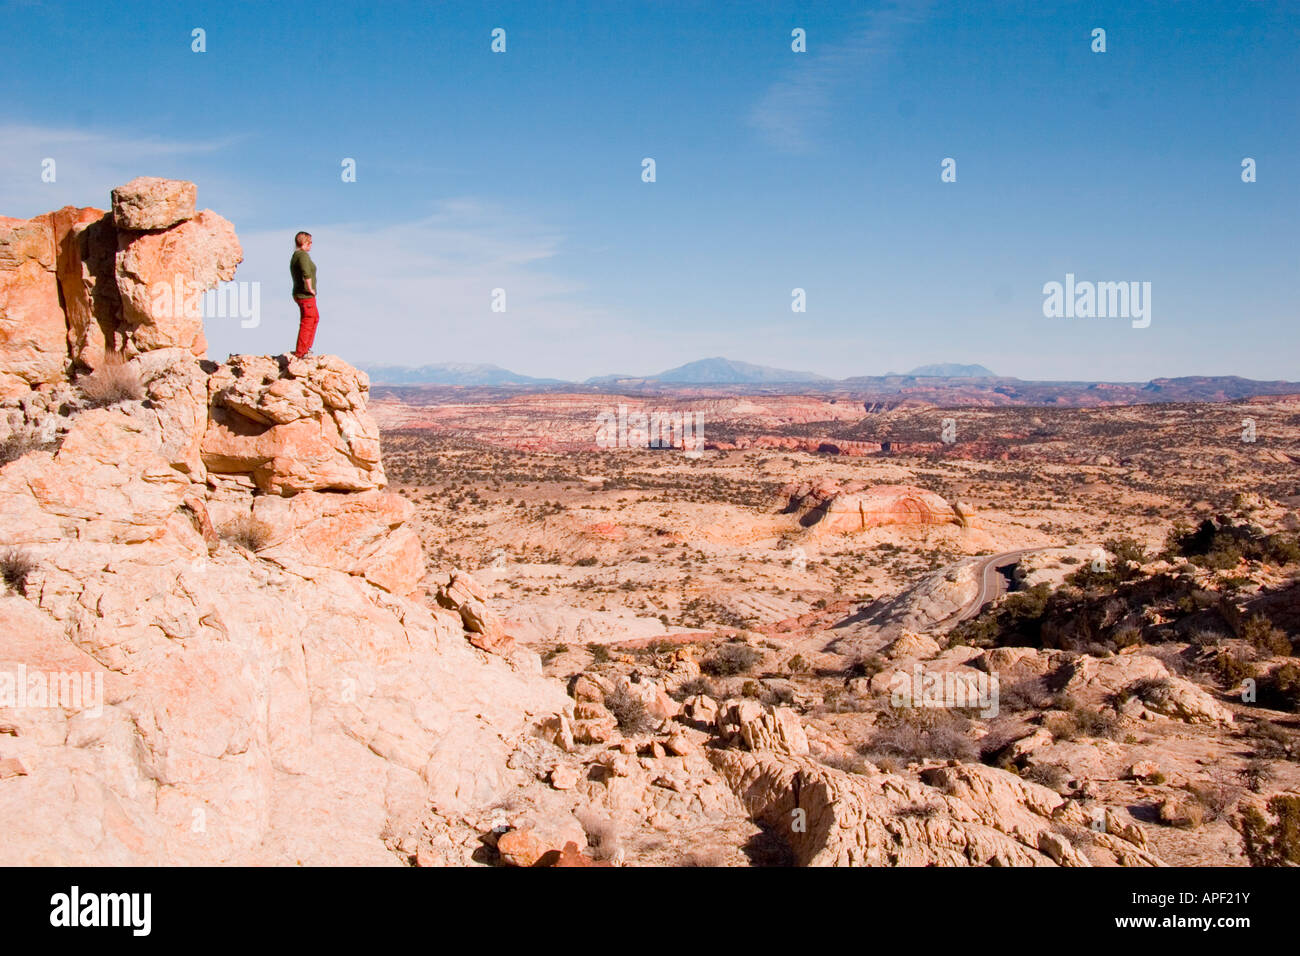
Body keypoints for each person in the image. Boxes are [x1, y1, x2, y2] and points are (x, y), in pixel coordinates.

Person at [289, 231, 319, 359]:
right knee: (308, 320)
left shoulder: (296, 255)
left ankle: (305, 349)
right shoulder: (302, 256)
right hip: (305, 295)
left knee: (314, 318)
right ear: (304, 242)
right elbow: (306, 272)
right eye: (310, 242)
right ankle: (302, 352)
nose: (311, 245)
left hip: (299, 293)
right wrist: (310, 288)